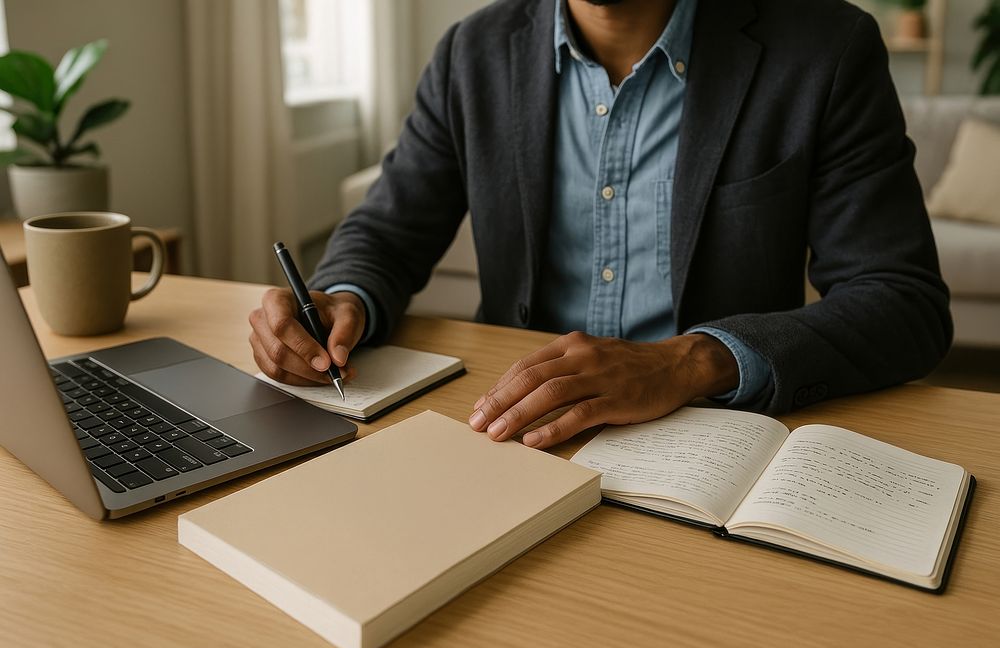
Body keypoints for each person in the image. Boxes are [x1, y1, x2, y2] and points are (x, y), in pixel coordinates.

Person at [249, 0, 951, 449]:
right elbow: (387, 232)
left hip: (709, 441)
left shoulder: (827, 50)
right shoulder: (473, 53)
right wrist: (340, 297)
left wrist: (687, 361)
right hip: (506, 429)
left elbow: (902, 302)